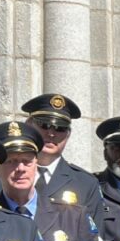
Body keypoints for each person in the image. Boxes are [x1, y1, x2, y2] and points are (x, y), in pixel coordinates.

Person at [20, 92, 103, 222]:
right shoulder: (7, 175)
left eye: (60, 128)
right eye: (44, 125)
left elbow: (95, 233)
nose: (51, 133)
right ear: (29, 125)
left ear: (68, 134)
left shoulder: (85, 184)